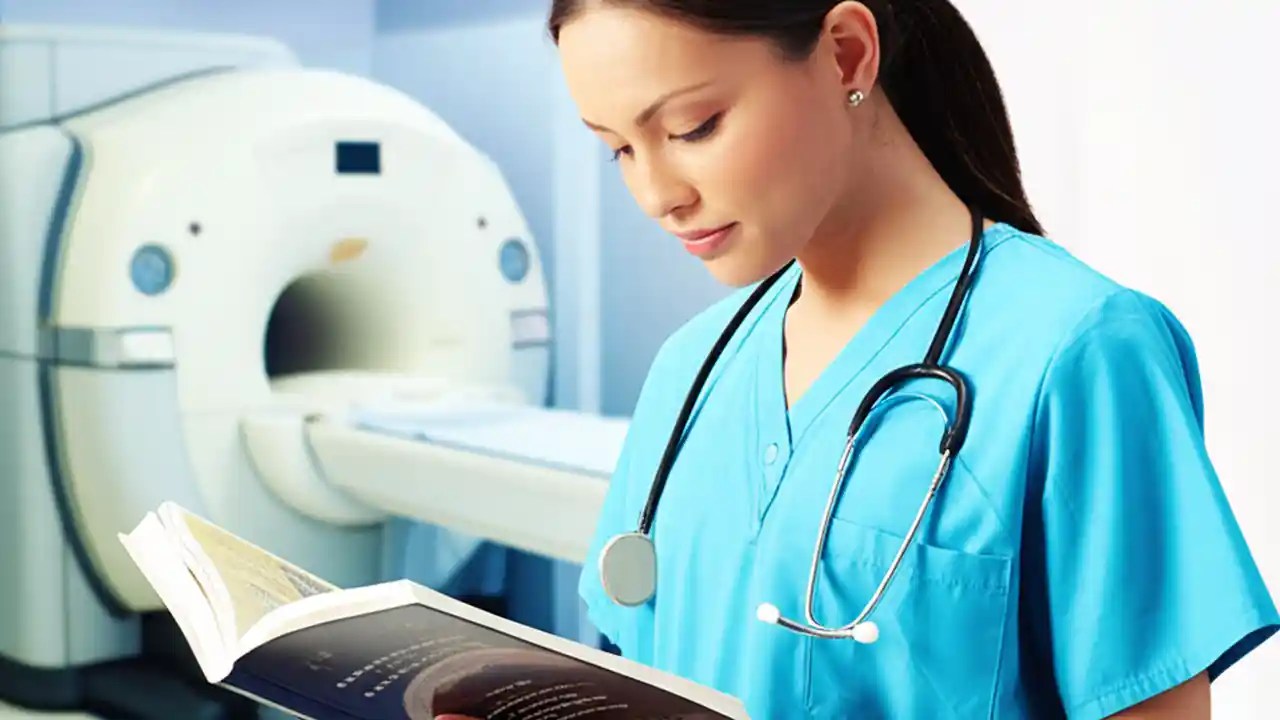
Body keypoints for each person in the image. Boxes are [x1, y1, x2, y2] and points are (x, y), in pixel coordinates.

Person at [442, 1, 1279, 718]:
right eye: (619, 149)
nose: (659, 193)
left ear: (847, 52)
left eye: (692, 127)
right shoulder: (690, 367)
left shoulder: (1078, 350)